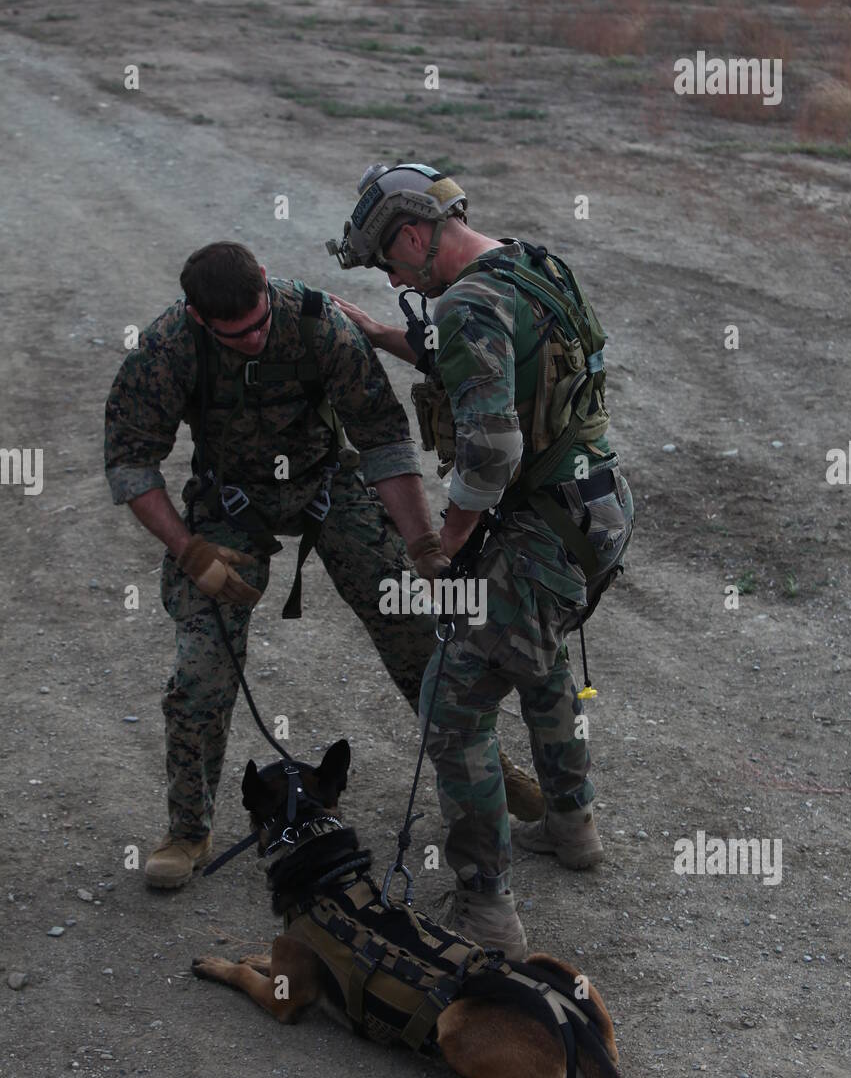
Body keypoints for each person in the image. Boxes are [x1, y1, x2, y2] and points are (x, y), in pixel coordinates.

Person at [105, 241, 540, 888]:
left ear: (265, 289)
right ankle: (189, 830)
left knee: (415, 623)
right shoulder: (169, 346)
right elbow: (131, 460)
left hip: (327, 484)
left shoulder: (317, 325)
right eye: (235, 334)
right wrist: (189, 550)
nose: (253, 339)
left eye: (259, 323)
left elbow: (383, 438)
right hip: (232, 502)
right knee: (199, 674)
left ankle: (485, 764)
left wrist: (424, 546)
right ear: (199, 319)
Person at [329, 164, 634, 958]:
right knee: (538, 662)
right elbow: (506, 366)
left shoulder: (465, 303)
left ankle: (487, 908)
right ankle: (572, 825)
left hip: (540, 531)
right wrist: (383, 335)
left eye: (389, 262)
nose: (395, 278)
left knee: (453, 700)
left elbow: (492, 451)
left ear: (413, 234)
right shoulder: (529, 264)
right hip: (595, 509)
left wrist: (445, 544)